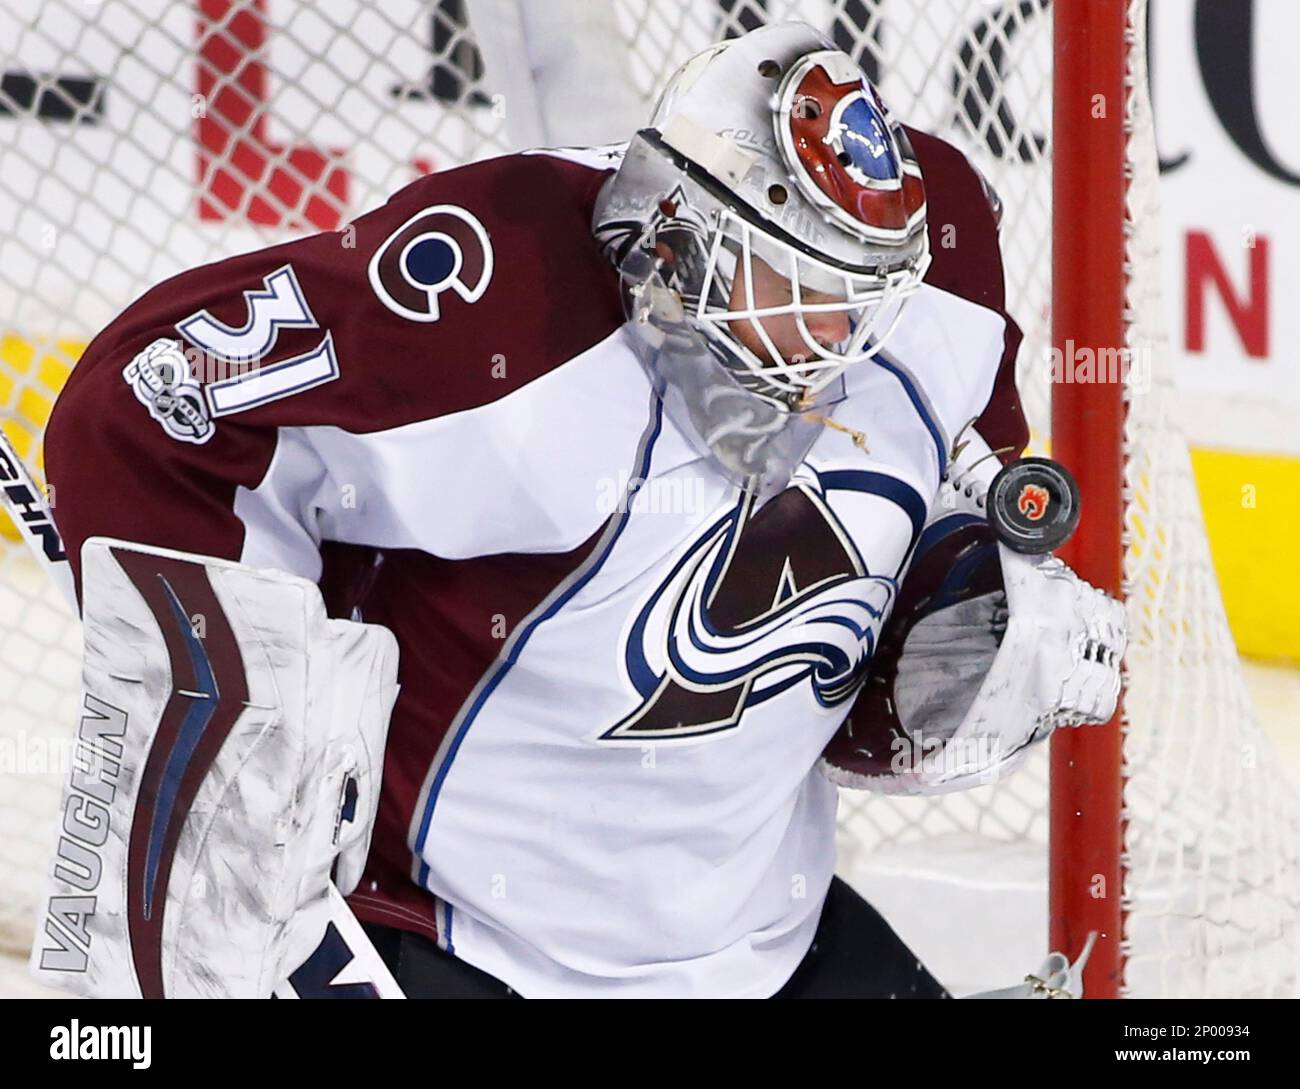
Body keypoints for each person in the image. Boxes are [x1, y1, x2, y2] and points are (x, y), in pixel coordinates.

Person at [43, 21, 1122, 998]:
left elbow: (892, 566)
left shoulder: (940, 287)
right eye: (797, 288)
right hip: (457, 942)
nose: (836, 339)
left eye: (861, 295)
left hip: (764, 945)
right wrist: (233, 721)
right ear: (685, 226)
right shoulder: (508, 302)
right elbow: (147, 408)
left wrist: (961, 625)